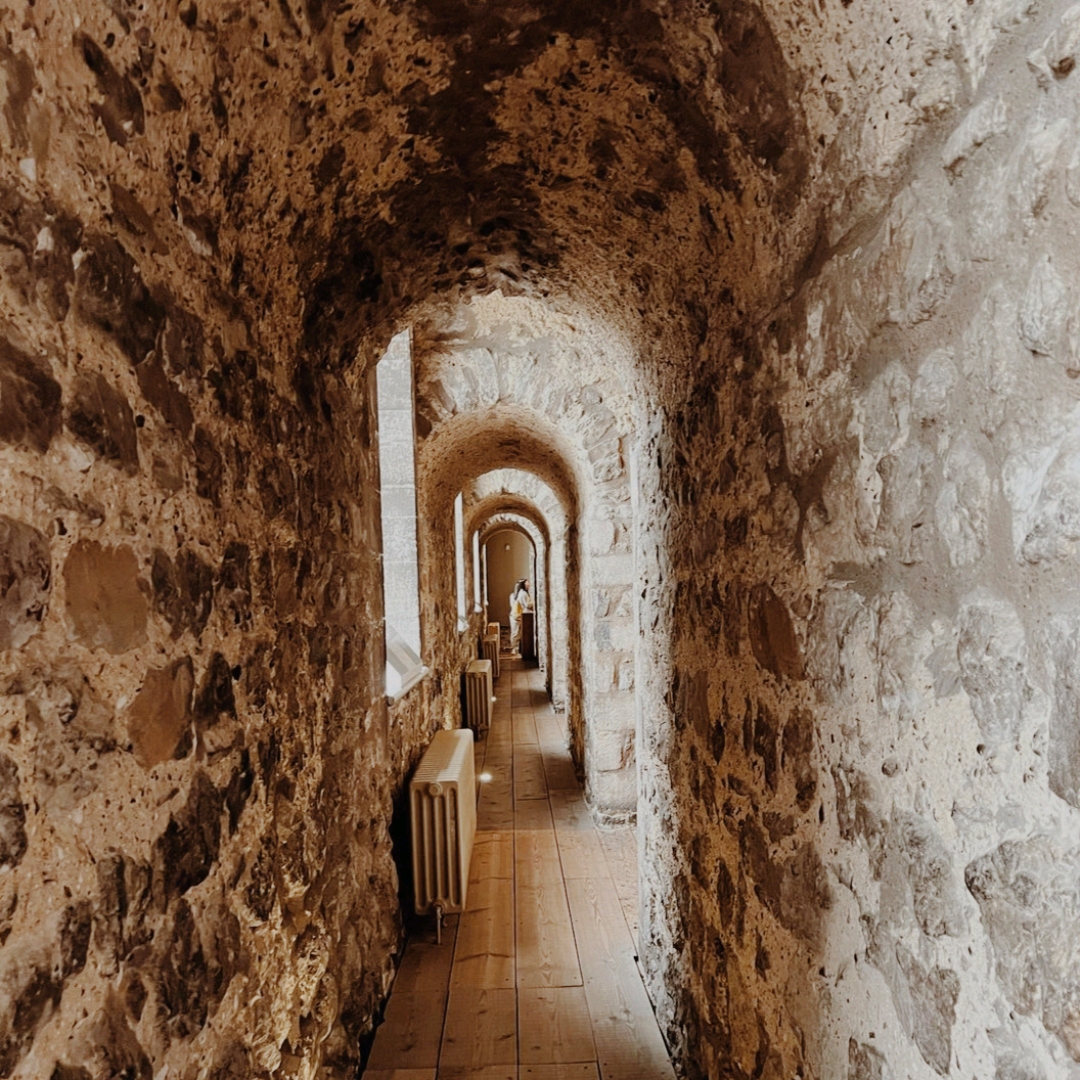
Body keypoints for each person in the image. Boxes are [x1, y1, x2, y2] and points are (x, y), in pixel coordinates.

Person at [509, 579, 533, 652]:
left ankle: (515, 648)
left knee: (515, 633)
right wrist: (534, 602)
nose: (528, 586)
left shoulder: (513, 595)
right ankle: (515, 648)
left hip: (514, 615)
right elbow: (528, 605)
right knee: (517, 633)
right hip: (518, 615)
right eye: (527, 585)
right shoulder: (523, 593)